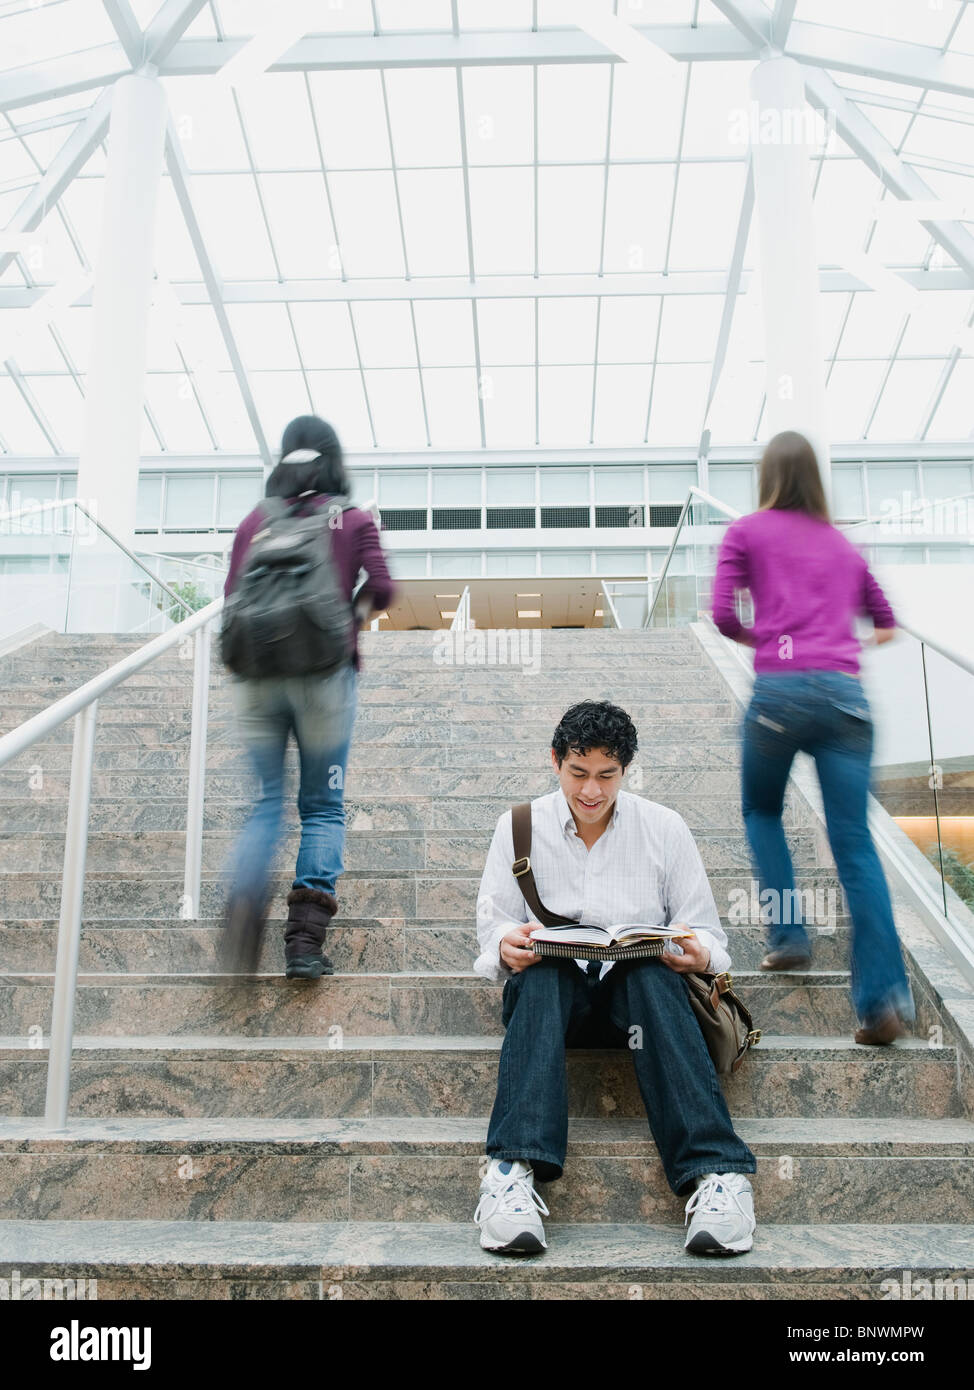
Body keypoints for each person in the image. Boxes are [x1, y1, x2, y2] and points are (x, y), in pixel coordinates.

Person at [473, 700, 757, 1257]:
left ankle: (718, 1176)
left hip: (644, 1011)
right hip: (554, 1008)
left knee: (650, 973)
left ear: (626, 770)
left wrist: (693, 952)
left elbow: (709, 936)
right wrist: (506, 946)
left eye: (607, 776)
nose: (591, 791)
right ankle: (510, 1175)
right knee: (546, 970)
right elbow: (494, 928)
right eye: (578, 773)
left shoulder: (664, 828)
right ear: (554, 761)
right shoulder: (518, 826)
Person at [711, 429, 914, 1046]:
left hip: (779, 696)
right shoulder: (842, 545)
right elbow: (886, 624)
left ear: (766, 474)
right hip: (846, 700)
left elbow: (722, 615)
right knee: (854, 843)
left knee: (761, 809)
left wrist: (770, 641)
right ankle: (881, 999)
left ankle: (790, 935)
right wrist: (838, 646)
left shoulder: (746, 531)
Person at [219, 415, 395, 980]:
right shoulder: (351, 517)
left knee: (267, 802)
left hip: (256, 678)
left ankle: (244, 904)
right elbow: (384, 586)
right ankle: (303, 944)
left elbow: (231, 599)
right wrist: (353, 618)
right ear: (332, 460)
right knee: (321, 807)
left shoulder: (255, 522)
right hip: (323, 676)